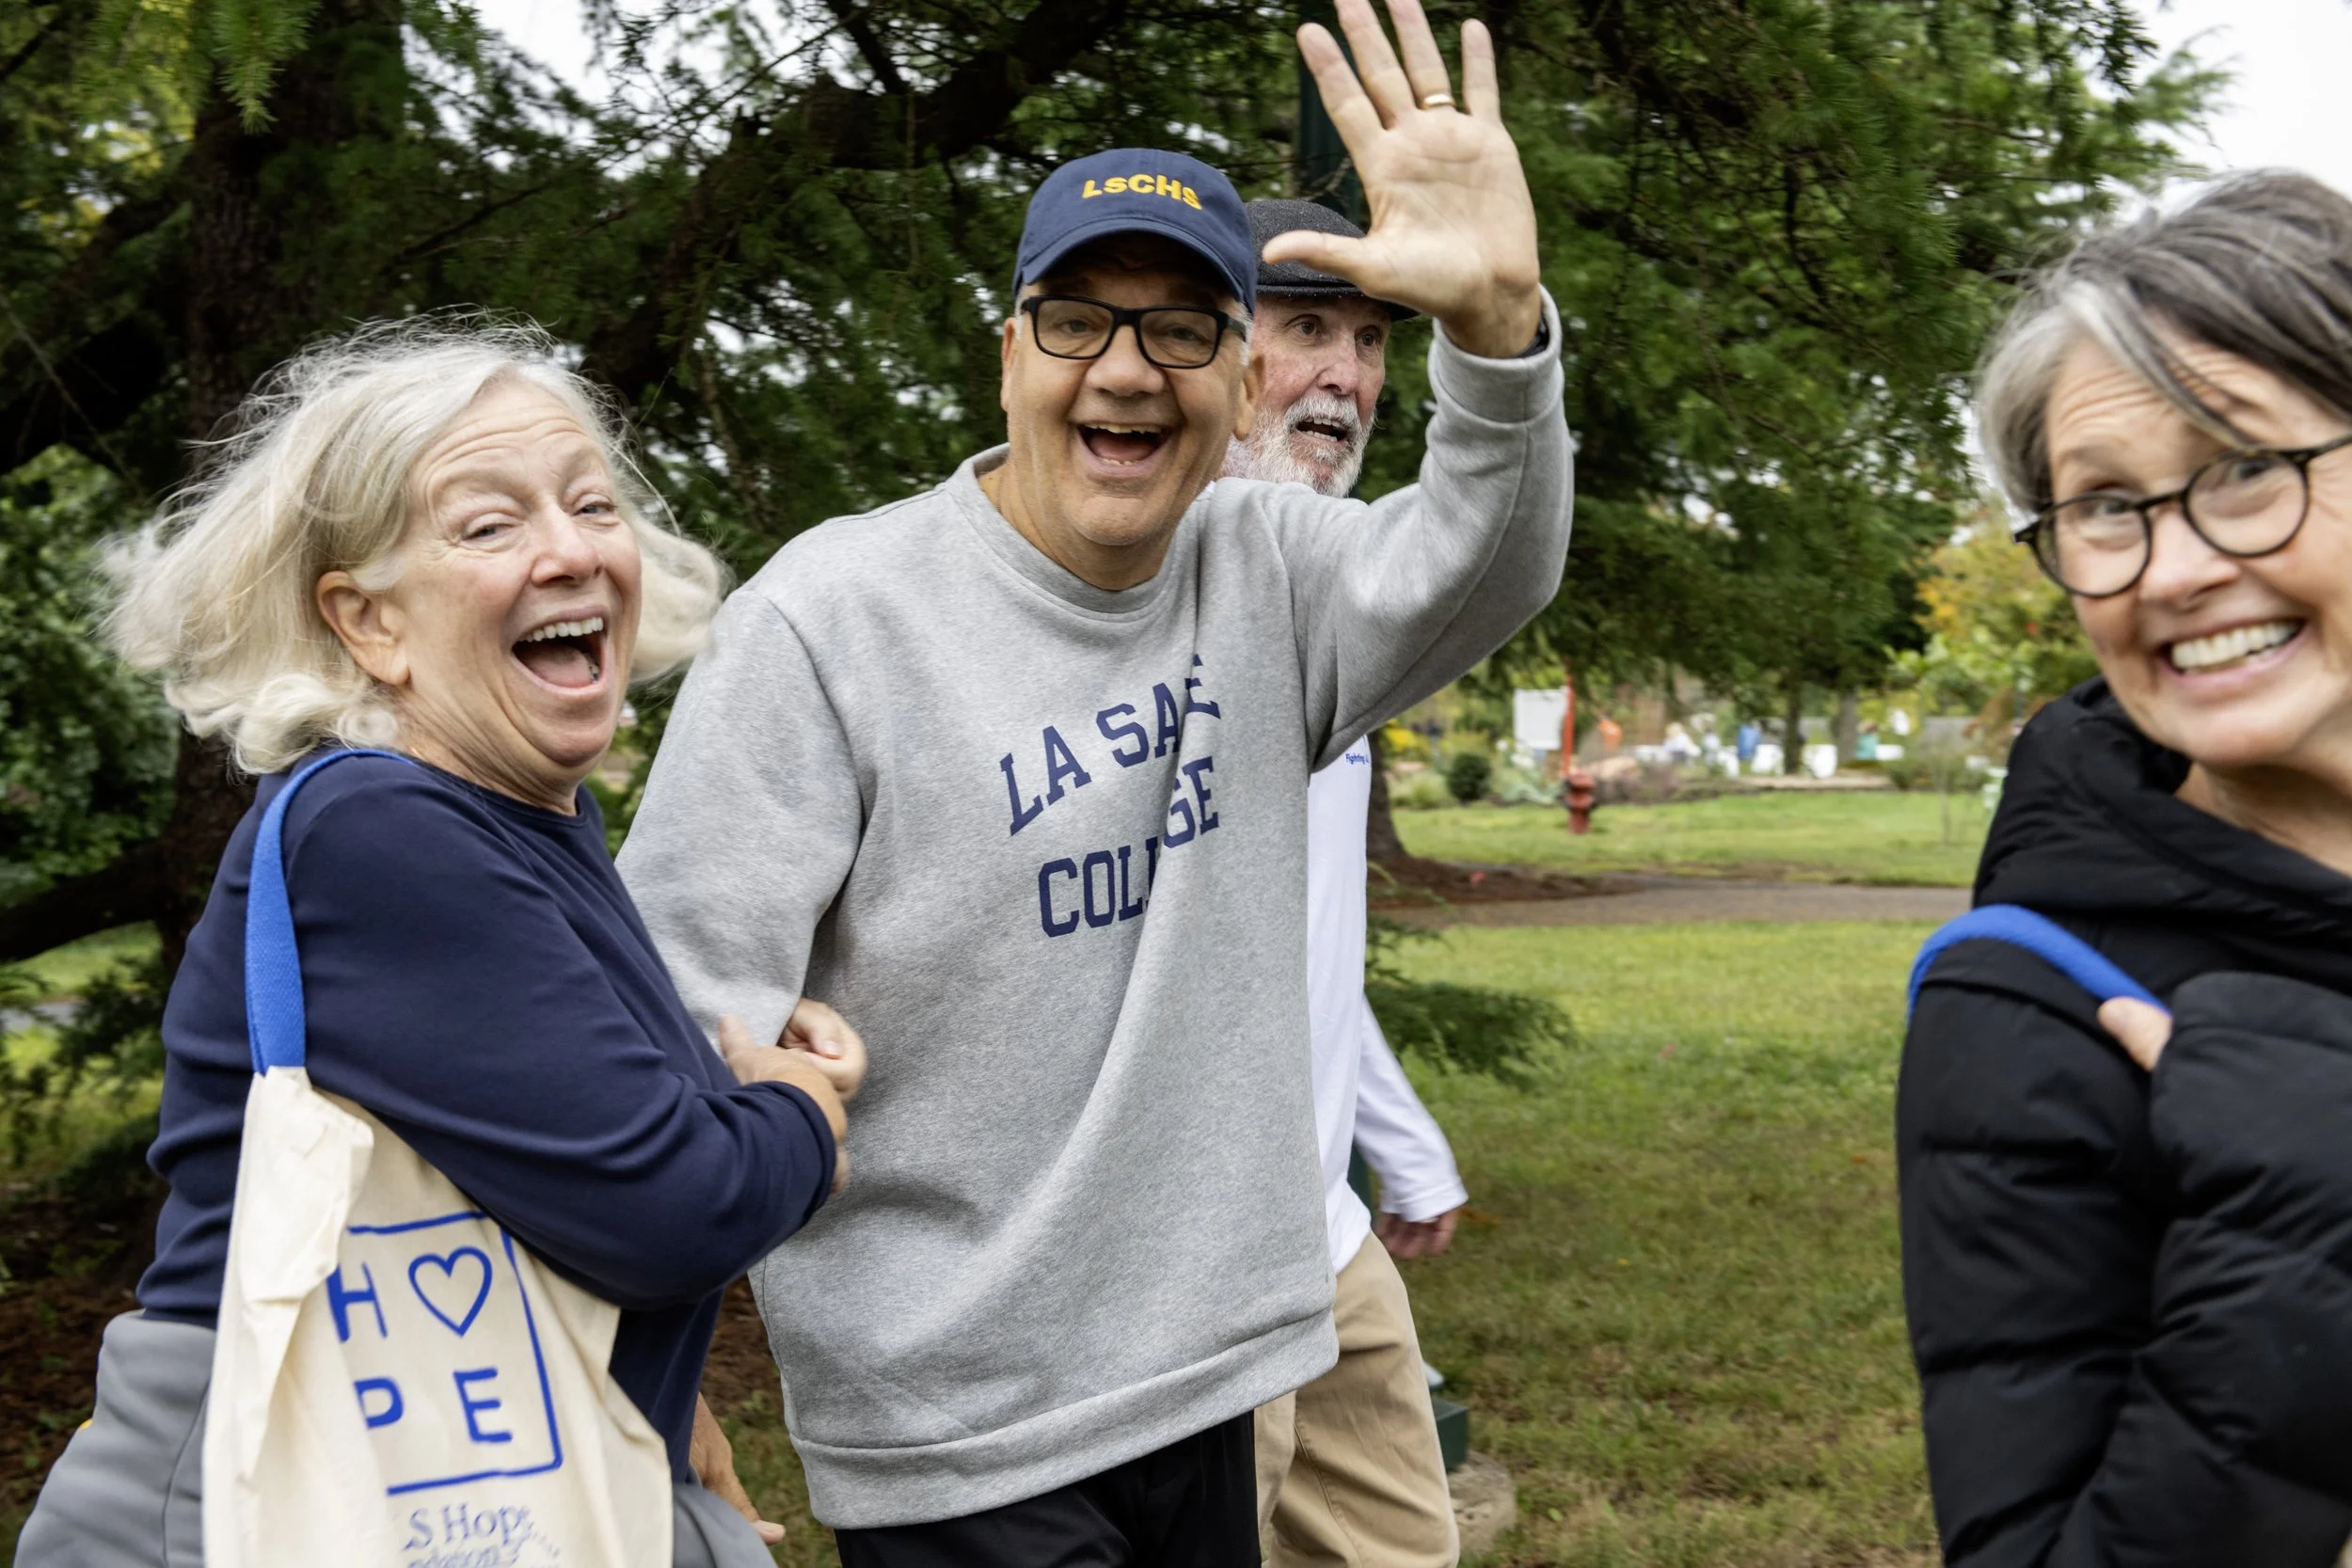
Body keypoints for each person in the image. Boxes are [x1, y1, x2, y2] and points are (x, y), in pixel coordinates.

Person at [616, 0, 1569, 1556]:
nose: (1127, 370)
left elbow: (1483, 562)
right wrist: (648, 1376)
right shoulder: (829, 621)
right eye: (1079, 319)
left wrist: (1498, 328)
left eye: (1183, 327)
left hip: (1207, 1373)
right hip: (955, 1424)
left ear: (1235, 378)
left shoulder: (1263, 574)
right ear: (1009, 353)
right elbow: (676, 1011)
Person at [17, 320, 857, 1568]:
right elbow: (670, 1204)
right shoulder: (378, 826)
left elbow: (555, 1140)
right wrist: (803, 1116)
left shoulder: (522, 818)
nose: (568, 549)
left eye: (589, 503)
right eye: (488, 525)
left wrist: (659, 1396)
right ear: (367, 624)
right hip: (250, 1510)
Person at [1901, 169, 2352, 1566]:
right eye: (2105, 508)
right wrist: (2310, 1224)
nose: (2169, 570)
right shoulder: (2034, 1003)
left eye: (2241, 470)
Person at [1221, 197, 1466, 1568]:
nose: (1349, 377)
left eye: (1370, 340)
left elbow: (1296, 937)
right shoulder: (1133, 580)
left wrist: (1399, 1138)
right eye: (1307, 326)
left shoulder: (1343, 586)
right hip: (1192, 1279)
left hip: (1326, 1239)